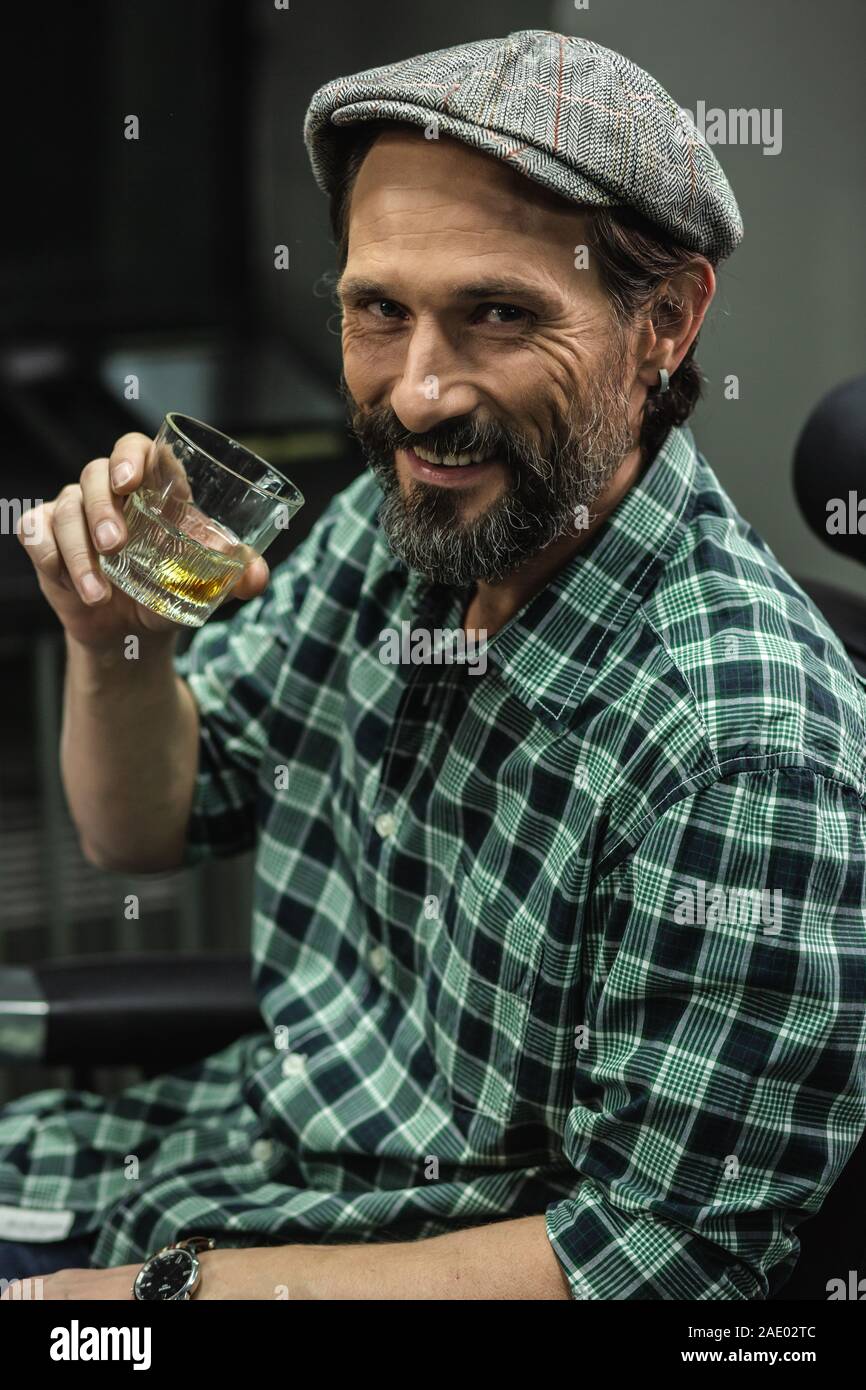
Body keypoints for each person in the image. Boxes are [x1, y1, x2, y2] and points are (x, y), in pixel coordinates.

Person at [2, 29, 865, 1301]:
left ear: (665, 321)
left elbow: (660, 1256)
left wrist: (136, 1308)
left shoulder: (742, 753)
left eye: (499, 313)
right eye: (377, 310)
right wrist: (117, 640)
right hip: (192, 1167)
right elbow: (153, 826)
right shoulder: (407, 530)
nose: (414, 394)